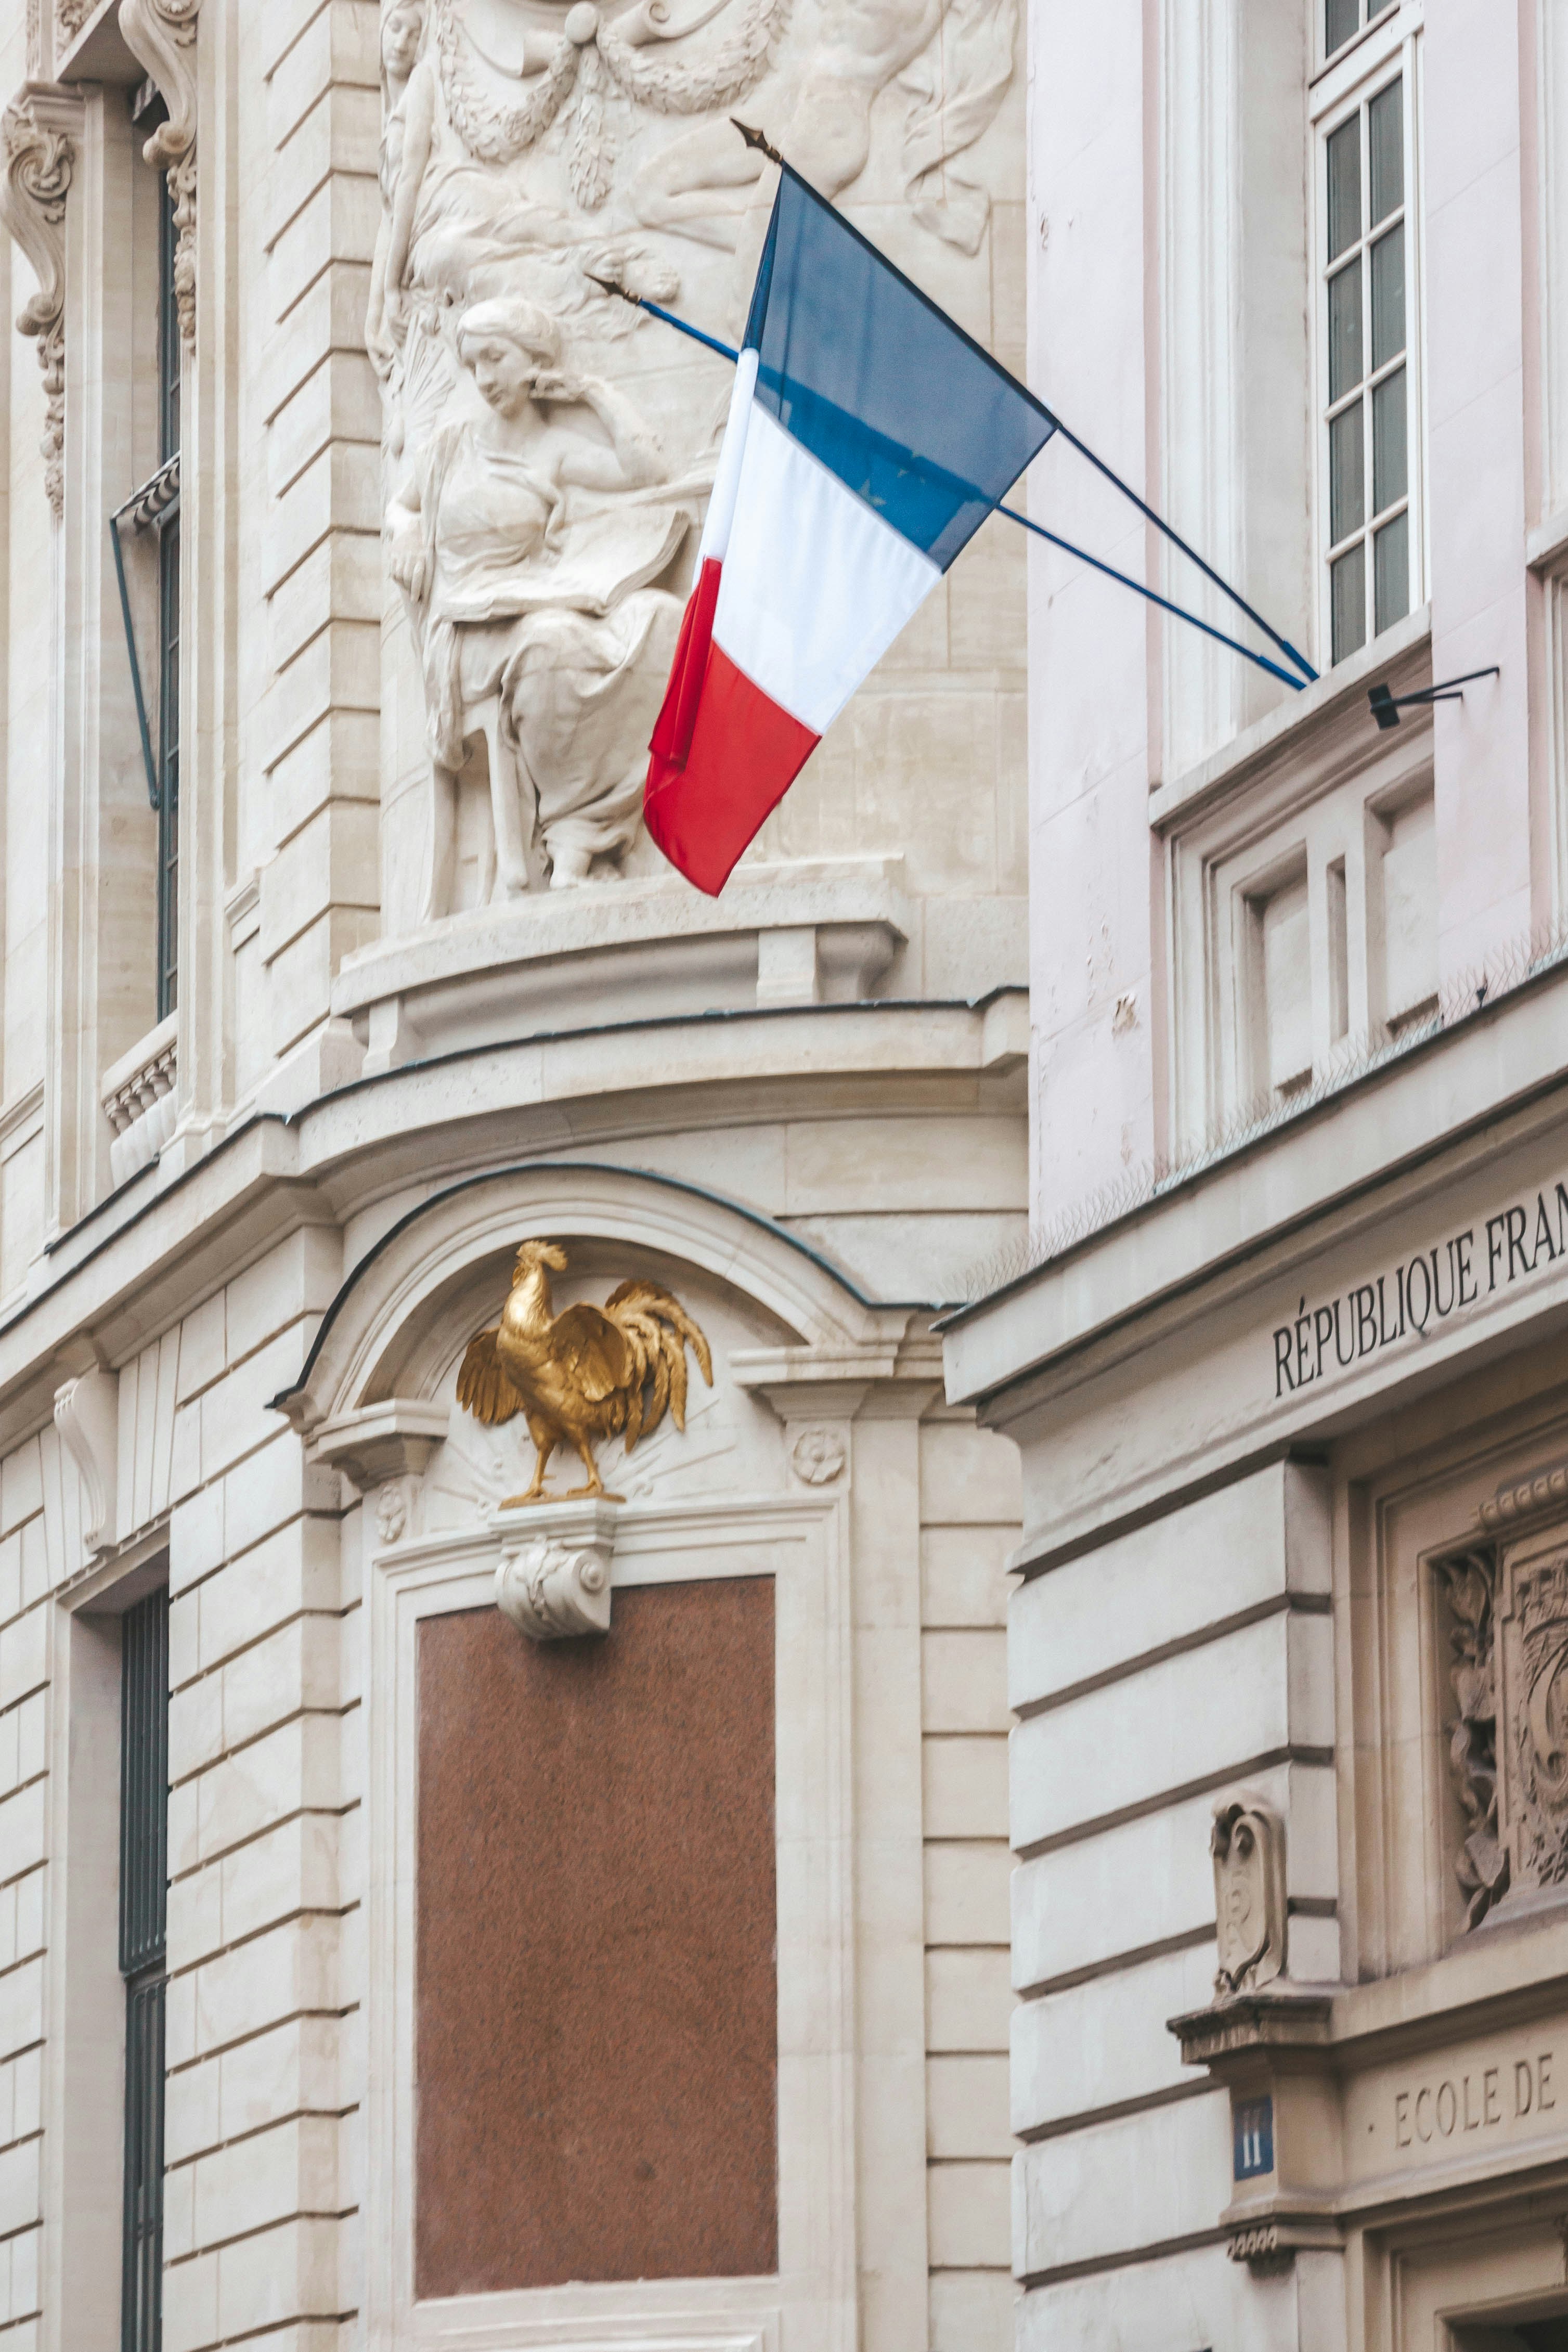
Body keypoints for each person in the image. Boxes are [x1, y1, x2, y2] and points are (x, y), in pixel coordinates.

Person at [386, 296, 689, 903]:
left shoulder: (553, 451)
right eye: (474, 365)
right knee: (550, 644)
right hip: (467, 631)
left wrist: (594, 392)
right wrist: (409, 533)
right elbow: (402, 503)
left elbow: (649, 470)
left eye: (497, 358)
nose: (486, 378)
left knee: (664, 619)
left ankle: (601, 818)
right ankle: (570, 839)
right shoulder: (451, 444)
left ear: (536, 360)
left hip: (531, 601)